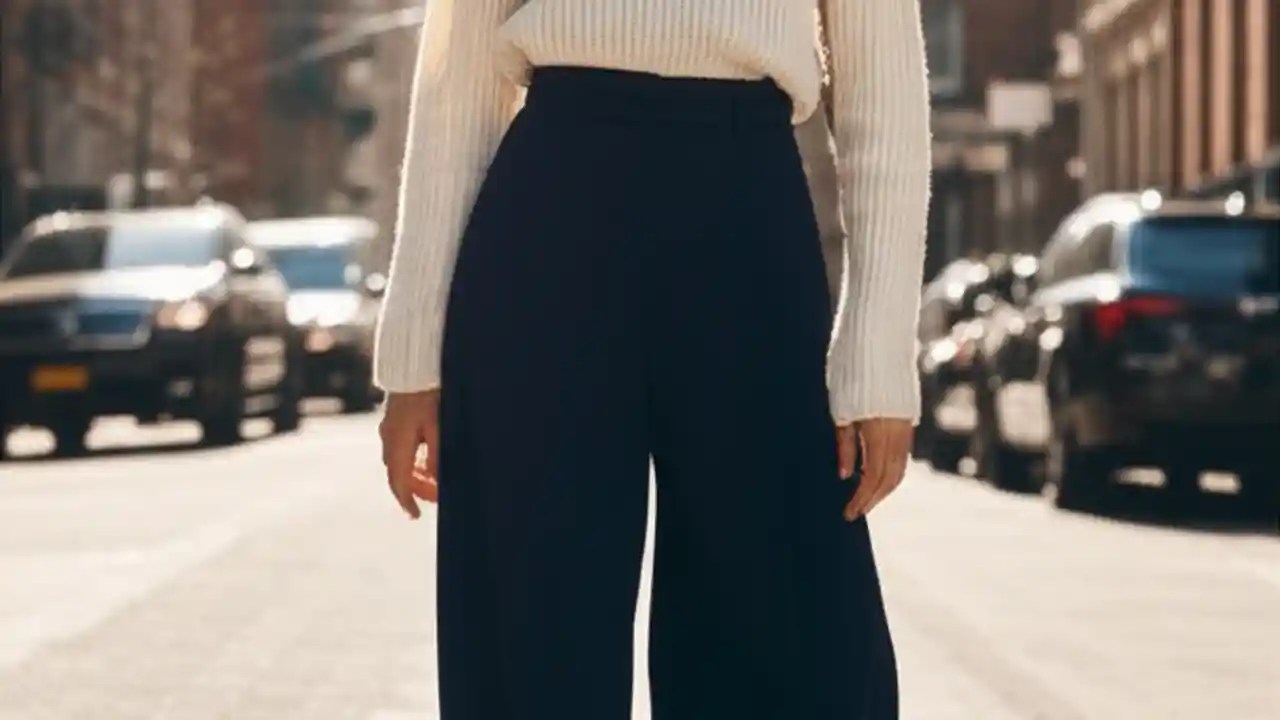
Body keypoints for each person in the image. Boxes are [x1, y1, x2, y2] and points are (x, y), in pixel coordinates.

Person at [375, 1, 930, 717]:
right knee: (531, 631)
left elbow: (882, 91)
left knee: (787, 629)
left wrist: (878, 353)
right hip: (551, 207)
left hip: (747, 214)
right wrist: (415, 361)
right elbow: (459, 72)